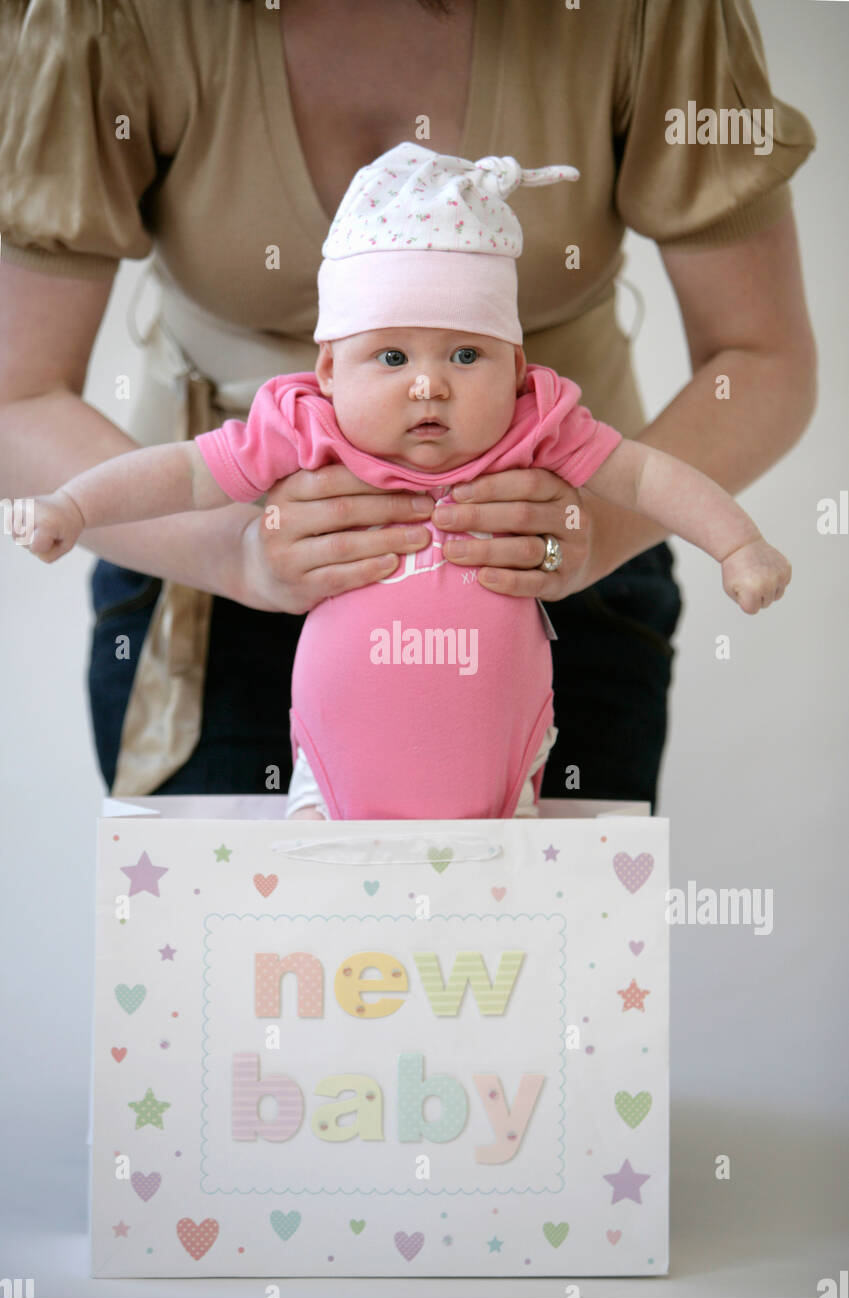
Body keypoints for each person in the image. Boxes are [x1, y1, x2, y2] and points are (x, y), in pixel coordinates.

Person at [0, 0, 817, 814]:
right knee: (259, 930)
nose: (427, 385)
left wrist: (602, 531)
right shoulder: (107, 16)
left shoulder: (645, 14)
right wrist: (226, 551)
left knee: (526, 930)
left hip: (568, 573)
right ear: (325, 370)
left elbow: (756, 359)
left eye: (467, 356)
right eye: (390, 359)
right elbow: (25, 396)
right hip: (197, 581)